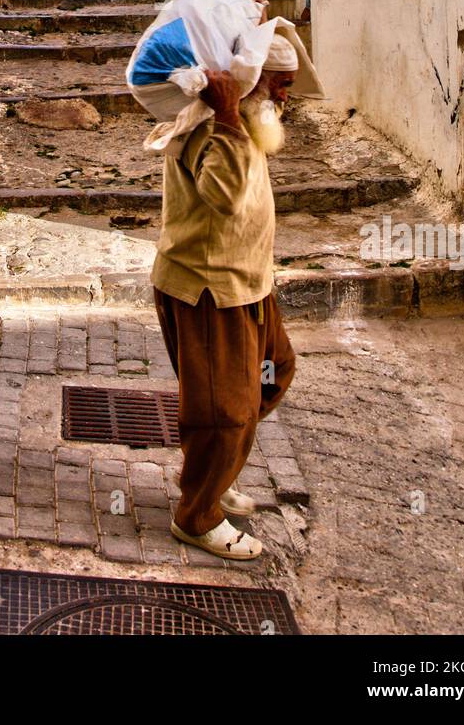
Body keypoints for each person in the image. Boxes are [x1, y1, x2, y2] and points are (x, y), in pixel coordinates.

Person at [151, 34, 299, 561]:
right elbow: (226, 197)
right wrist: (231, 113)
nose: (286, 96)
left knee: (273, 372)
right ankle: (197, 515)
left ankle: (213, 475)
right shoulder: (213, 128)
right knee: (225, 412)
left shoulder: (246, 120)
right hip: (210, 292)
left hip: (250, 286)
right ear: (248, 84)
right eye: (280, 84)